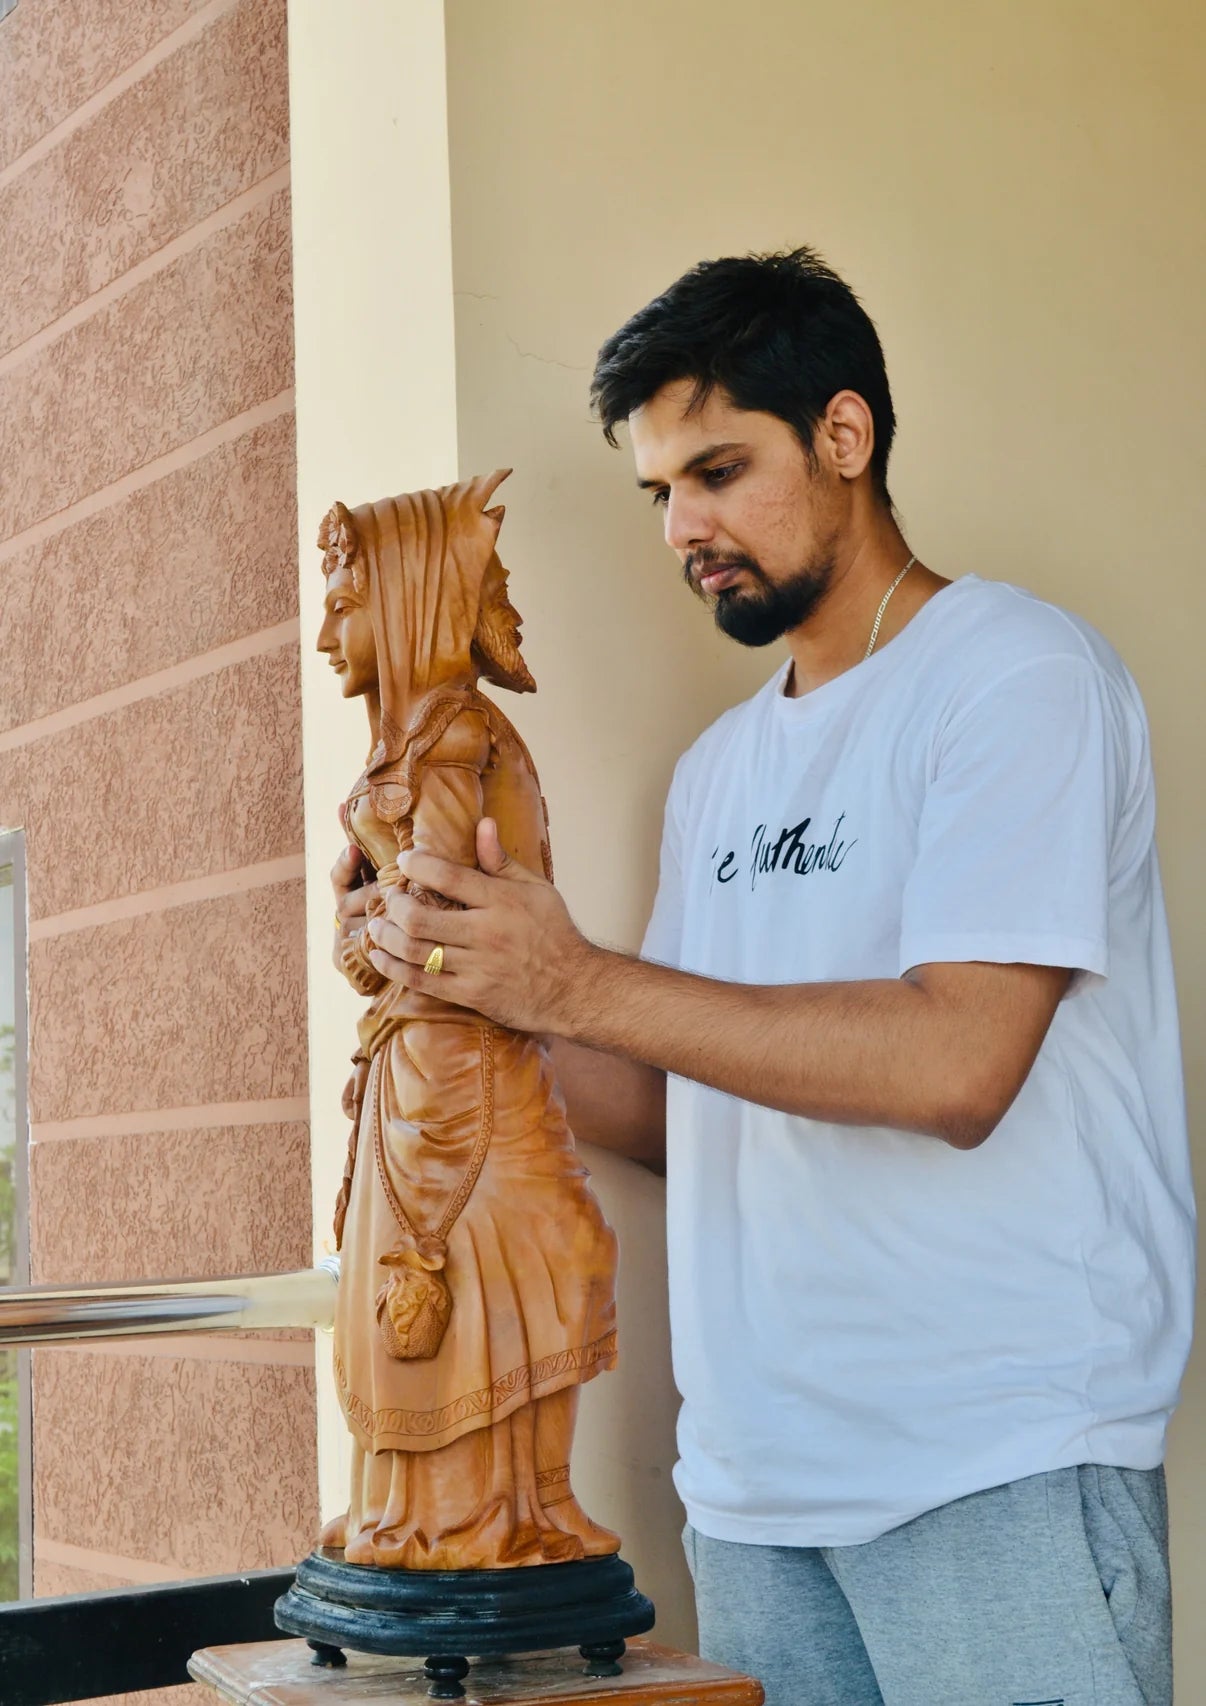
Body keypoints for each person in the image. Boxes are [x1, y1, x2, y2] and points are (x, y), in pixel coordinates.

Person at [342, 249, 1193, 1704]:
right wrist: (467, 990)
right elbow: (694, 1110)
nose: (684, 528)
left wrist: (575, 982)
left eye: (720, 471)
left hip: (993, 1459)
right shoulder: (721, 769)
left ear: (843, 437)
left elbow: (955, 1065)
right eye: (661, 492)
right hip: (753, 1498)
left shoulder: (1014, 676)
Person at [320, 472, 620, 1571]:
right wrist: (372, 928)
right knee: (486, 1273)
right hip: (429, 1077)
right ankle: (446, 1518)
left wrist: (387, 927)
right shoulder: (412, 751)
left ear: (400, 601)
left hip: (462, 1072)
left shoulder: (452, 743)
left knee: (555, 1254)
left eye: (341, 608)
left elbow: (446, 924)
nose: (322, 637)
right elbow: (403, 939)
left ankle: (496, 1516)